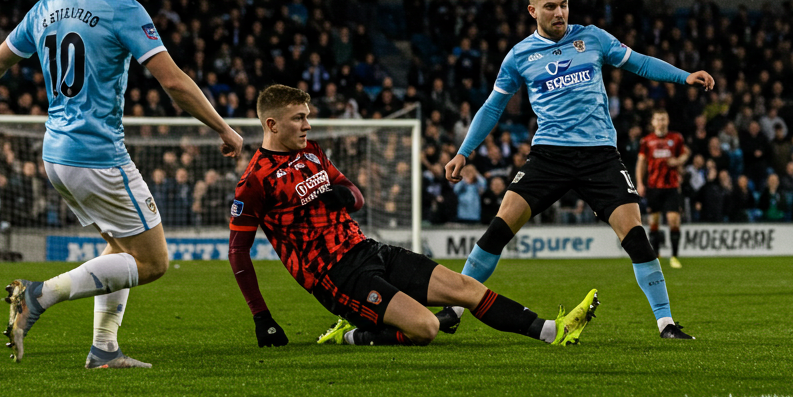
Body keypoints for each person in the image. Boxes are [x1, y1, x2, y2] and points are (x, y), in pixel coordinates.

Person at [0, 0, 245, 367]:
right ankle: (39, 296)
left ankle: (104, 349)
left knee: (119, 248)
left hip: (56, 153)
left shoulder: (45, 7)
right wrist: (221, 125)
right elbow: (175, 82)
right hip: (98, 155)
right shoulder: (122, 8)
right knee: (154, 262)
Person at [441, 0, 714, 340]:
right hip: (549, 155)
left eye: (564, 4)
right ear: (532, 9)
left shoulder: (592, 37)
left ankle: (666, 323)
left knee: (635, 235)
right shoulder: (519, 55)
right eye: (551, 6)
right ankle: (455, 309)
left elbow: (641, 63)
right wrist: (463, 152)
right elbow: (493, 107)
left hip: (600, 155)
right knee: (499, 227)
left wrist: (684, 77)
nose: (559, 13)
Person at [228, 85, 597, 348]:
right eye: (298, 119)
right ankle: (353, 333)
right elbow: (238, 253)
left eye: (307, 117)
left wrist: (345, 196)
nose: (307, 125)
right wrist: (262, 317)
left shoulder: (313, 154)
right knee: (427, 327)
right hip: (334, 275)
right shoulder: (254, 182)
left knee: (464, 290)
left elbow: (354, 195)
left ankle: (553, 330)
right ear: (272, 125)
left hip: (367, 250)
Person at [635, 109, 689, 268]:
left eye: (663, 119)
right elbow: (641, 163)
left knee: (674, 220)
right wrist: (639, 182)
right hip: (653, 186)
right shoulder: (647, 141)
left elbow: (684, 154)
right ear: (653, 122)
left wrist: (678, 161)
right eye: (658, 119)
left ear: (668, 121)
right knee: (654, 221)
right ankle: (656, 255)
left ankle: (674, 256)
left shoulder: (676, 138)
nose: (661, 122)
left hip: (671, 186)